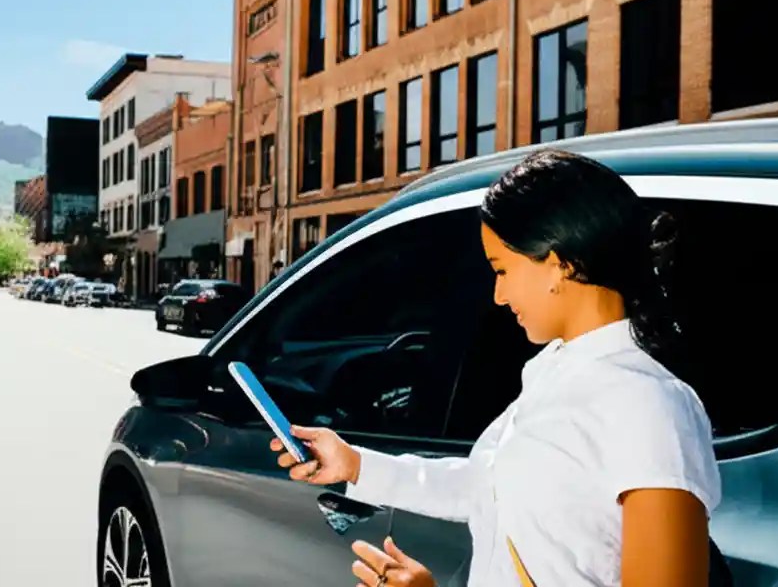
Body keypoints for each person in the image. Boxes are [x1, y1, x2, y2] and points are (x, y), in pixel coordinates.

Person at [271, 148, 722, 586]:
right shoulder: (555, 372)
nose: (498, 296)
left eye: (502, 270)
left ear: (559, 264)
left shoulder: (649, 408)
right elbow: (488, 484)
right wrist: (354, 465)